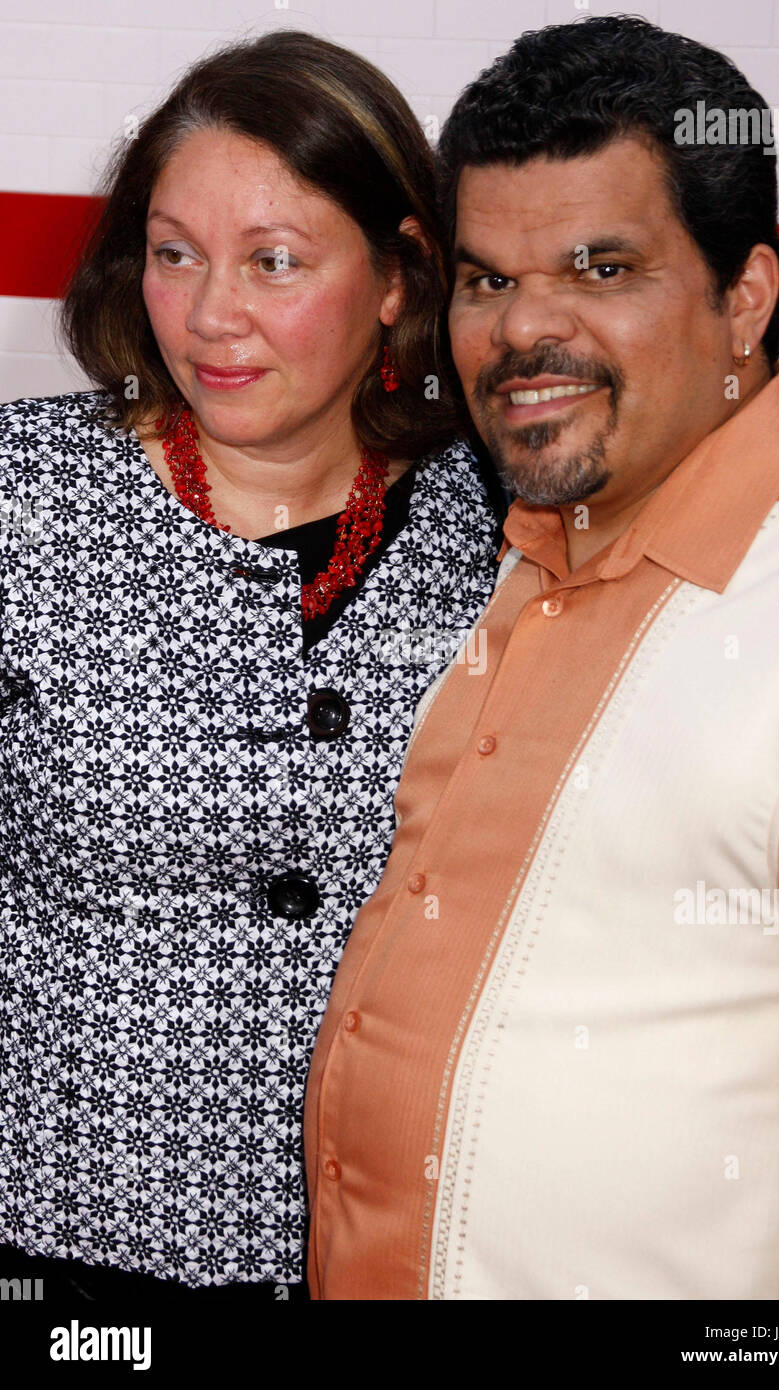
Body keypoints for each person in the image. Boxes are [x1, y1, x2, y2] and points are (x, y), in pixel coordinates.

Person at [304, 16, 779, 1300]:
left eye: (599, 269)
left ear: (744, 298)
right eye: (488, 280)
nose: (520, 332)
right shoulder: (524, 547)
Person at [0, 30, 503, 1301]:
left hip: (403, 1246)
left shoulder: (505, 528)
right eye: (175, 254)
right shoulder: (28, 497)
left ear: (399, 278)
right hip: (71, 1247)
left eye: (273, 262)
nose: (211, 313)